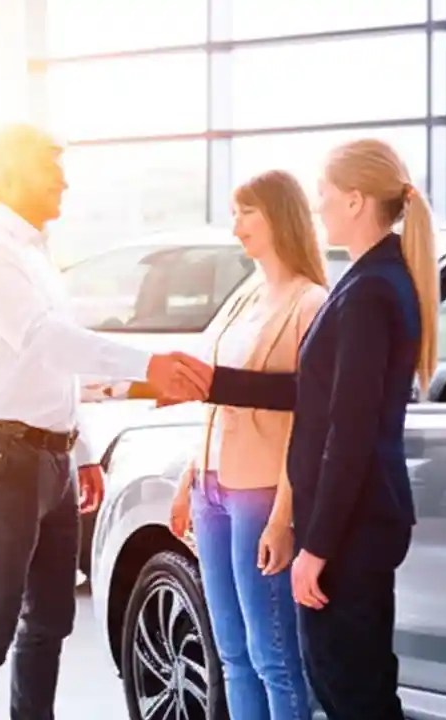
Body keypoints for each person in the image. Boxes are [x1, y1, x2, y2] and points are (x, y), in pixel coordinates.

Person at [168, 138, 440, 720]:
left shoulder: (368, 291)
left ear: (356, 200)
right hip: (361, 521)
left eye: (323, 193)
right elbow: (314, 398)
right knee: (349, 686)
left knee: (348, 690)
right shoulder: (372, 279)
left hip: (352, 526)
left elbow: (350, 431)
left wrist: (314, 546)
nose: (317, 205)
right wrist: (213, 384)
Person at [0, 123, 208, 720]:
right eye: (50, 166)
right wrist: (148, 365)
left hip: (53, 459)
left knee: (50, 621)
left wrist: (82, 448)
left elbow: (54, 368)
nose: (64, 179)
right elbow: (45, 341)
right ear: (11, 174)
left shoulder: (35, 254)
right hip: (3, 460)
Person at [167, 170, 327, 720]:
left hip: (261, 492)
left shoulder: (311, 303)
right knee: (231, 653)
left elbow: (311, 418)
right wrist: (190, 480)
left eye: (247, 212)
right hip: (213, 488)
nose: (236, 227)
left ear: (280, 215)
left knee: (273, 656)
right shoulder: (247, 297)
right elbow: (215, 394)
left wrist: (284, 517)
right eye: (234, 213)